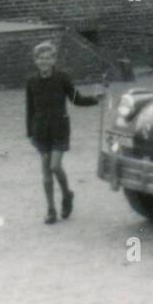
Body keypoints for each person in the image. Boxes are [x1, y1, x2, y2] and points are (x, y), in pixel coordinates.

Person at [26, 40, 99, 224]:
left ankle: (67, 195)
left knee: (55, 166)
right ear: (35, 61)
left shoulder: (62, 78)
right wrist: (30, 133)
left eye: (48, 58)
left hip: (59, 129)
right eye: (40, 58)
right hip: (41, 131)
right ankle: (51, 210)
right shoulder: (31, 82)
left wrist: (95, 99)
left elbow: (76, 99)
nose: (44, 61)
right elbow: (30, 109)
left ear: (54, 60)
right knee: (45, 171)